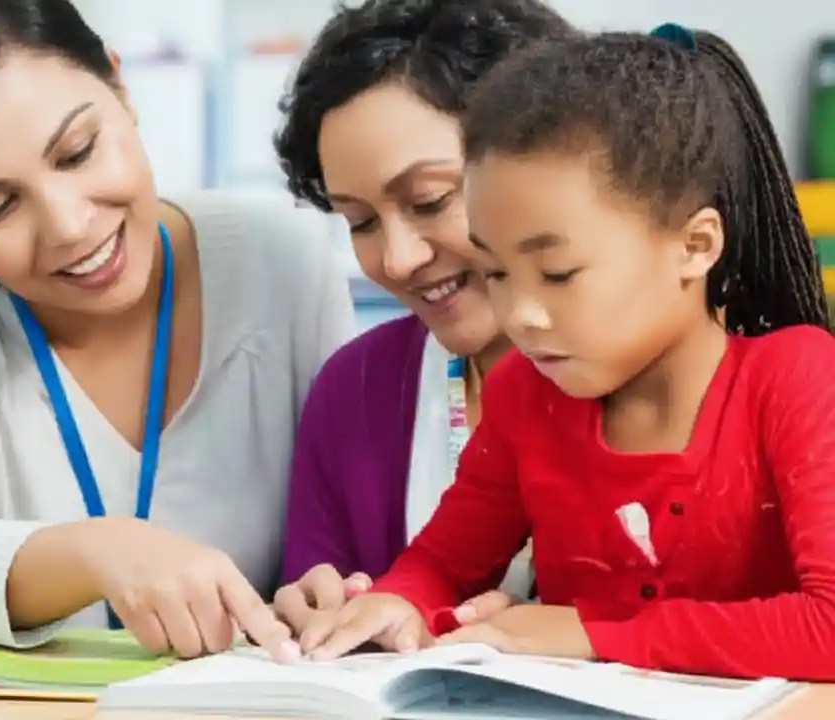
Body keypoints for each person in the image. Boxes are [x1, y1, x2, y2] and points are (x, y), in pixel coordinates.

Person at [292, 26, 835, 680]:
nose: (520, 313)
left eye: (556, 274)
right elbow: (442, 564)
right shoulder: (528, 395)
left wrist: (592, 632)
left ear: (694, 245)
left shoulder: (798, 380)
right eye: (497, 274)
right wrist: (398, 604)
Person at [0, 0, 355, 659]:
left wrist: (328, 590)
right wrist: (102, 550)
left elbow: (352, 534)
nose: (68, 226)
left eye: (78, 153)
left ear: (120, 83)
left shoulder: (280, 262)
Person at [270, 0, 574, 631]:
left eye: (431, 200)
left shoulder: (684, 376)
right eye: (359, 222)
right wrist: (316, 607)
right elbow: (319, 600)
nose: (400, 258)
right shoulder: (355, 391)